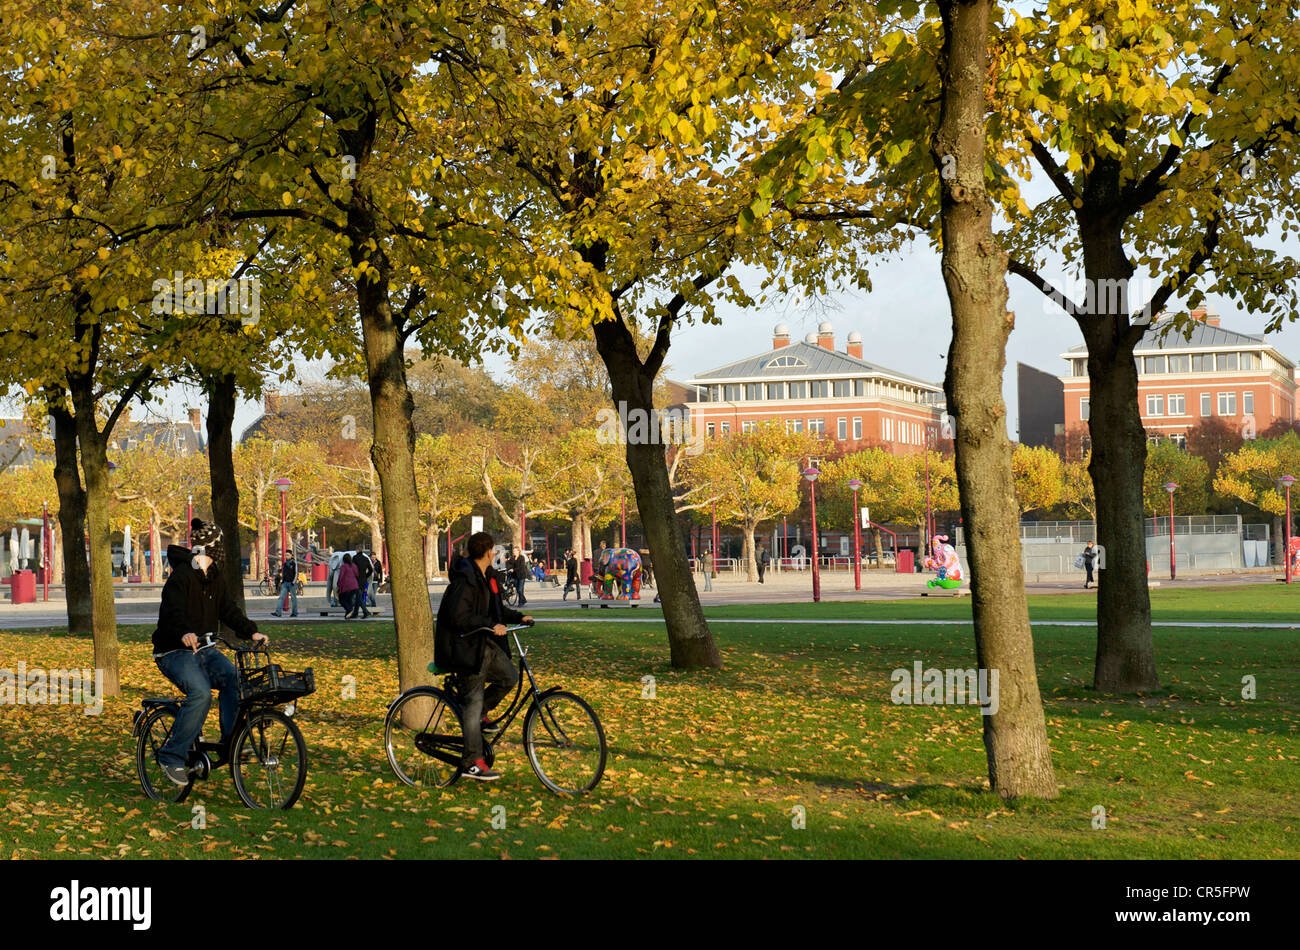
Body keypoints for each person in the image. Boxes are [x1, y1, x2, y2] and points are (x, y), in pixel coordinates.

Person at [151, 521, 266, 786]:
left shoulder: (215, 575)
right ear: (209, 547)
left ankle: (231, 743)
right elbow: (172, 611)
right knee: (201, 693)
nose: (222, 551)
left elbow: (228, 610)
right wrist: (184, 632)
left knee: (234, 680)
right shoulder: (182, 575)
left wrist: (251, 632)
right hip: (174, 652)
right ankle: (171, 755)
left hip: (204, 650)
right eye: (219, 545)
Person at [435, 531, 532, 781]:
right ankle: (471, 762)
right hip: (465, 649)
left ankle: (479, 713)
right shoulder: (465, 581)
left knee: (509, 676)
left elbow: (495, 610)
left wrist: (517, 617)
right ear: (488, 552)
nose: (496, 555)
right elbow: (459, 617)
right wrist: (491, 624)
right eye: (494, 551)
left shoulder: (487, 577)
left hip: (483, 643)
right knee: (473, 701)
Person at [270, 553, 298, 617]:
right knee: (281, 598)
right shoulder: (284, 564)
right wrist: (282, 581)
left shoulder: (294, 563)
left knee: (293, 598)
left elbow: (296, 573)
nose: (286, 556)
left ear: (291, 555)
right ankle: (278, 612)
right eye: (285, 555)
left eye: (288, 555)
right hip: (285, 583)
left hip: (291, 583)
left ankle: (294, 612)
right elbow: (283, 572)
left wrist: (293, 582)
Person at [337, 553, 361, 618]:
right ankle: (348, 614)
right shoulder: (354, 566)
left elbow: (341, 576)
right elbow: (357, 574)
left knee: (342, 600)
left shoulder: (344, 566)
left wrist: (338, 584)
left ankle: (349, 610)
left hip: (346, 585)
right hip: (354, 585)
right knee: (349, 599)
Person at [353, 549, 374, 618]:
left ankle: (366, 612)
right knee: (359, 597)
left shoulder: (355, 558)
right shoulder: (366, 559)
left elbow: (353, 568)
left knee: (358, 597)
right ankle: (355, 613)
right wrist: (366, 575)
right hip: (364, 580)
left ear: (357, 550)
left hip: (357, 580)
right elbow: (371, 569)